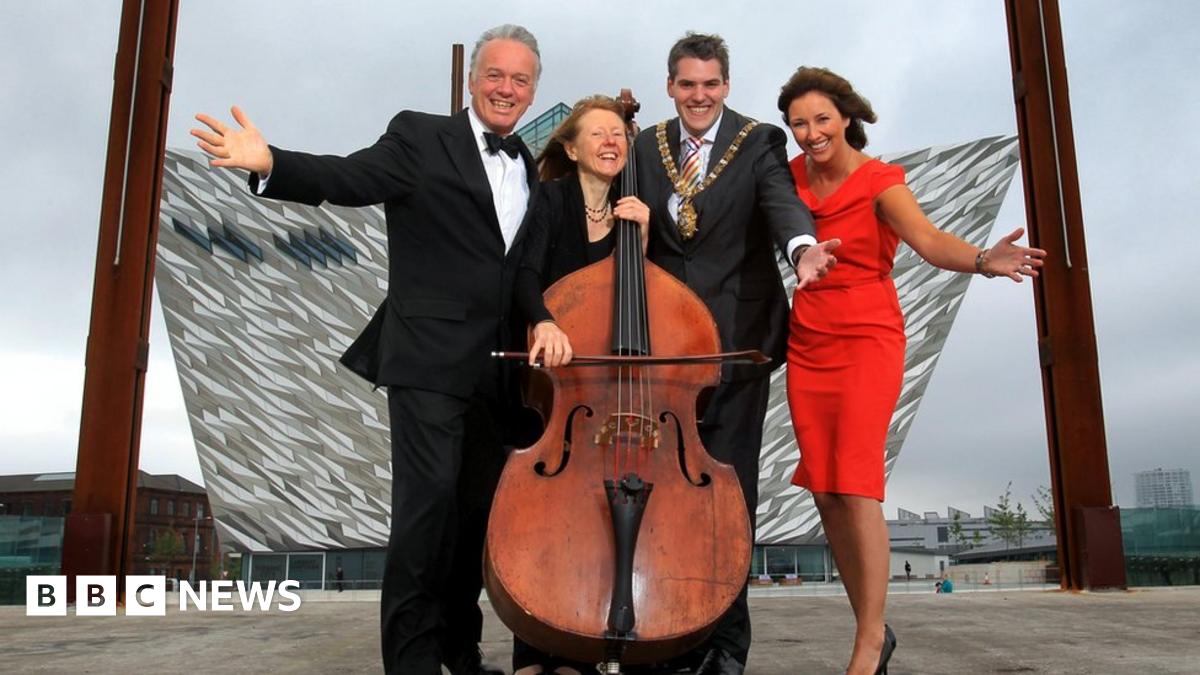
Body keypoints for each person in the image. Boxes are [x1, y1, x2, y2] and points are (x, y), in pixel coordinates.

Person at [190, 24, 544, 675]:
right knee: (426, 512)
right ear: (473, 81)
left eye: (520, 79)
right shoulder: (420, 136)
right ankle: (411, 661)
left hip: (498, 374)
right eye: (495, 74)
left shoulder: (527, 163)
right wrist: (270, 162)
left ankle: (458, 650)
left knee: (474, 520)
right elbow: (350, 176)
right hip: (428, 358)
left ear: (534, 90)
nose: (506, 88)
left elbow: (519, 268)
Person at [777, 66, 1046, 675]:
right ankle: (872, 624)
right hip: (809, 337)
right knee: (824, 489)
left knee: (856, 482)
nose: (811, 133)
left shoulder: (879, 181)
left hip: (867, 336)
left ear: (847, 117)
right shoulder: (788, 178)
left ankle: (869, 642)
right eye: (798, 123)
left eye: (822, 119)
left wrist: (983, 259)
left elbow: (927, 240)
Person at [631, 33, 839, 675]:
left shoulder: (759, 142)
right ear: (670, 86)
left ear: (726, 85)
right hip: (661, 350)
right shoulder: (643, 145)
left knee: (728, 495)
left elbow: (781, 203)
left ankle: (725, 644)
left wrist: (802, 249)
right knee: (663, 498)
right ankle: (669, 636)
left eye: (711, 84)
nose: (699, 96)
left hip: (737, 345)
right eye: (687, 84)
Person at [509, 95, 650, 675]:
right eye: (598, 133)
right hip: (556, 388)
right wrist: (544, 321)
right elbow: (524, 272)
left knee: (589, 528)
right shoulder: (550, 198)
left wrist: (644, 240)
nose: (611, 141)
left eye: (618, 133)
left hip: (613, 398)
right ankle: (531, 647)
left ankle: (581, 648)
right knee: (547, 520)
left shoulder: (632, 212)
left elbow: (650, 303)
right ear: (571, 149)